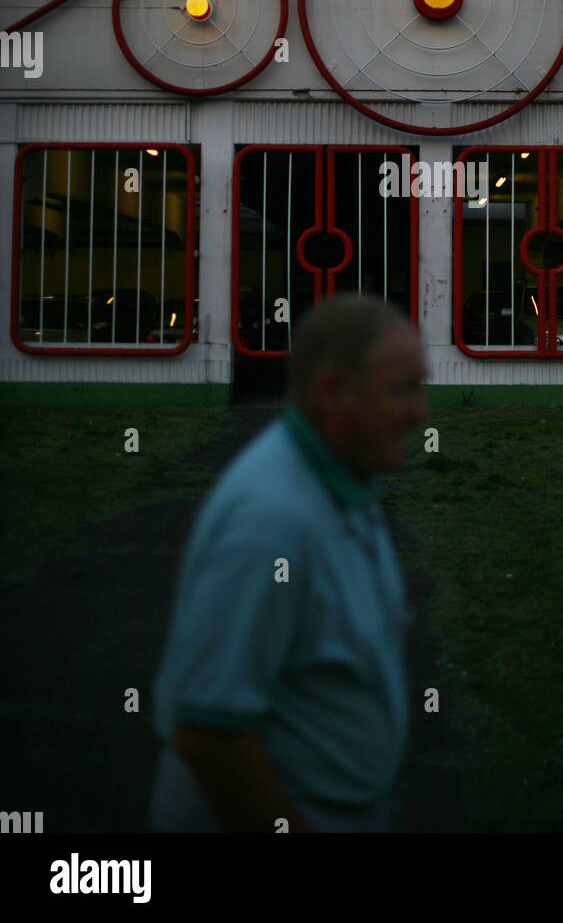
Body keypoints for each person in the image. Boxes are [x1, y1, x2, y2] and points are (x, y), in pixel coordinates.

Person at [148, 294, 428, 832]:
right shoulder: (271, 522)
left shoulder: (341, 480)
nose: (420, 413)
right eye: (402, 390)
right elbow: (208, 733)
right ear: (333, 393)